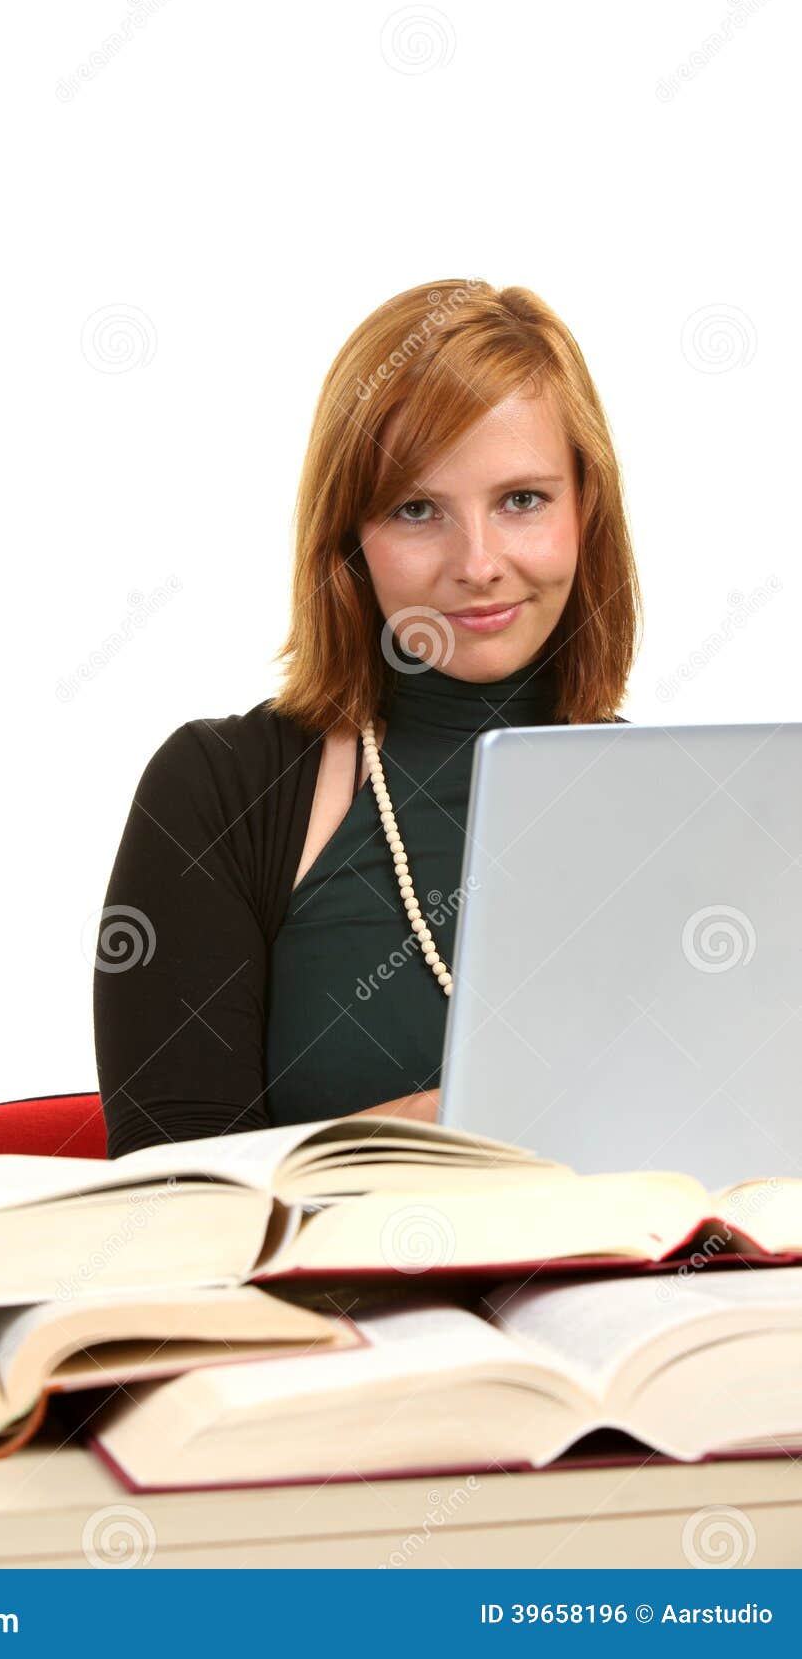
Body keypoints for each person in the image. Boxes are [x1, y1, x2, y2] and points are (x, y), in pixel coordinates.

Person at [93, 279, 640, 1159]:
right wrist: (415, 1137)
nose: (478, 564)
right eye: (415, 509)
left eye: (522, 500)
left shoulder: (677, 796)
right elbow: (170, 1199)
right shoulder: (223, 787)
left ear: (587, 509)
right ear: (348, 538)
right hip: (327, 1298)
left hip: (639, 1290)